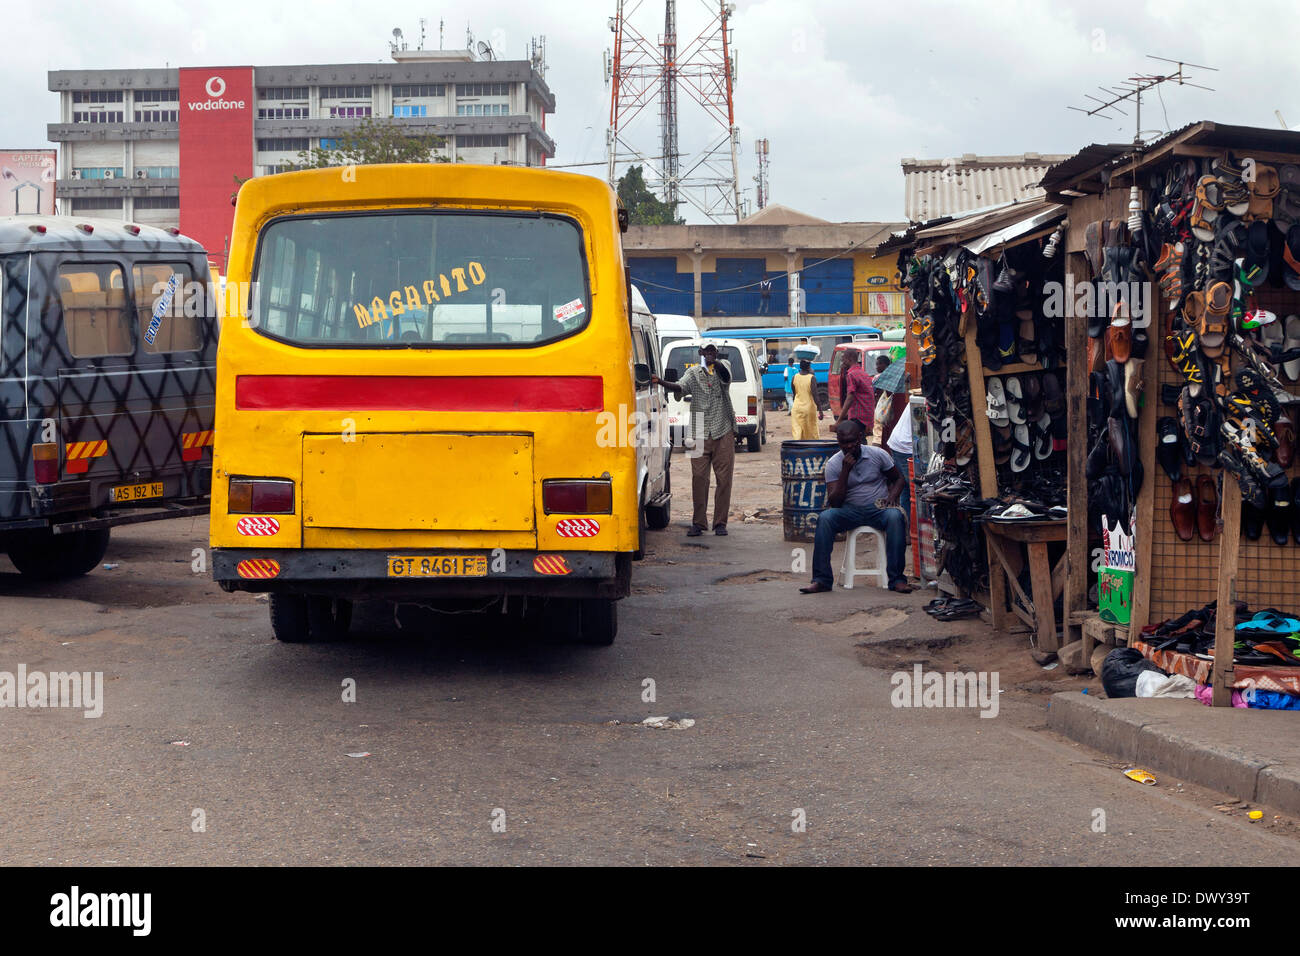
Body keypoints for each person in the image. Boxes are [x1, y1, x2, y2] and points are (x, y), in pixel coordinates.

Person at [800, 419, 911, 594]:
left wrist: (892, 497)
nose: (849, 446)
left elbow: (899, 478)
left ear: (860, 438)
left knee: (895, 517)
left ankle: (897, 579)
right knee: (825, 518)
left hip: (878, 508)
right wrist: (845, 472)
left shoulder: (877, 454)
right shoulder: (834, 464)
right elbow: (835, 503)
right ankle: (821, 580)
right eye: (844, 443)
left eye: (853, 441)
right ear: (839, 443)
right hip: (849, 510)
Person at [652, 343, 736, 536]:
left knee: (724, 479)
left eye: (713, 351)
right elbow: (680, 387)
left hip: (723, 428)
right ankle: (699, 522)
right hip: (698, 428)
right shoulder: (693, 373)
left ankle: (720, 523)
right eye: (706, 352)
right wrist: (661, 382)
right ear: (701, 353)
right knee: (699, 478)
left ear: (716, 353)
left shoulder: (724, 366)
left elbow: (726, 376)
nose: (710, 354)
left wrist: (716, 362)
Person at [834, 348, 875, 438]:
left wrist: (839, 420)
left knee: (856, 440)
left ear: (849, 359)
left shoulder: (851, 374)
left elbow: (850, 398)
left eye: (843, 359)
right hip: (866, 414)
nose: (842, 362)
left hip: (858, 415)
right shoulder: (862, 373)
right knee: (861, 438)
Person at [789, 356, 822, 439]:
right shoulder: (812, 378)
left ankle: (798, 449)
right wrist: (820, 410)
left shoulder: (794, 377)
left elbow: (794, 393)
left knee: (797, 431)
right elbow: (815, 395)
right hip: (809, 408)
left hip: (796, 408)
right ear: (808, 367)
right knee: (811, 430)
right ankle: (812, 449)